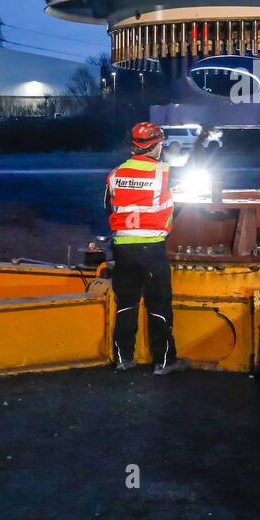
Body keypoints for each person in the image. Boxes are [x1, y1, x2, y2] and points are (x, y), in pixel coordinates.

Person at [105, 121, 190, 375]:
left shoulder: (115, 173)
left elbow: (109, 209)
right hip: (151, 248)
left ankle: (124, 358)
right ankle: (163, 363)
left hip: (122, 248)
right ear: (155, 146)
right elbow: (191, 178)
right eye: (161, 144)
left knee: (126, 303)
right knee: (159, 304)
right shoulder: (165, 173)